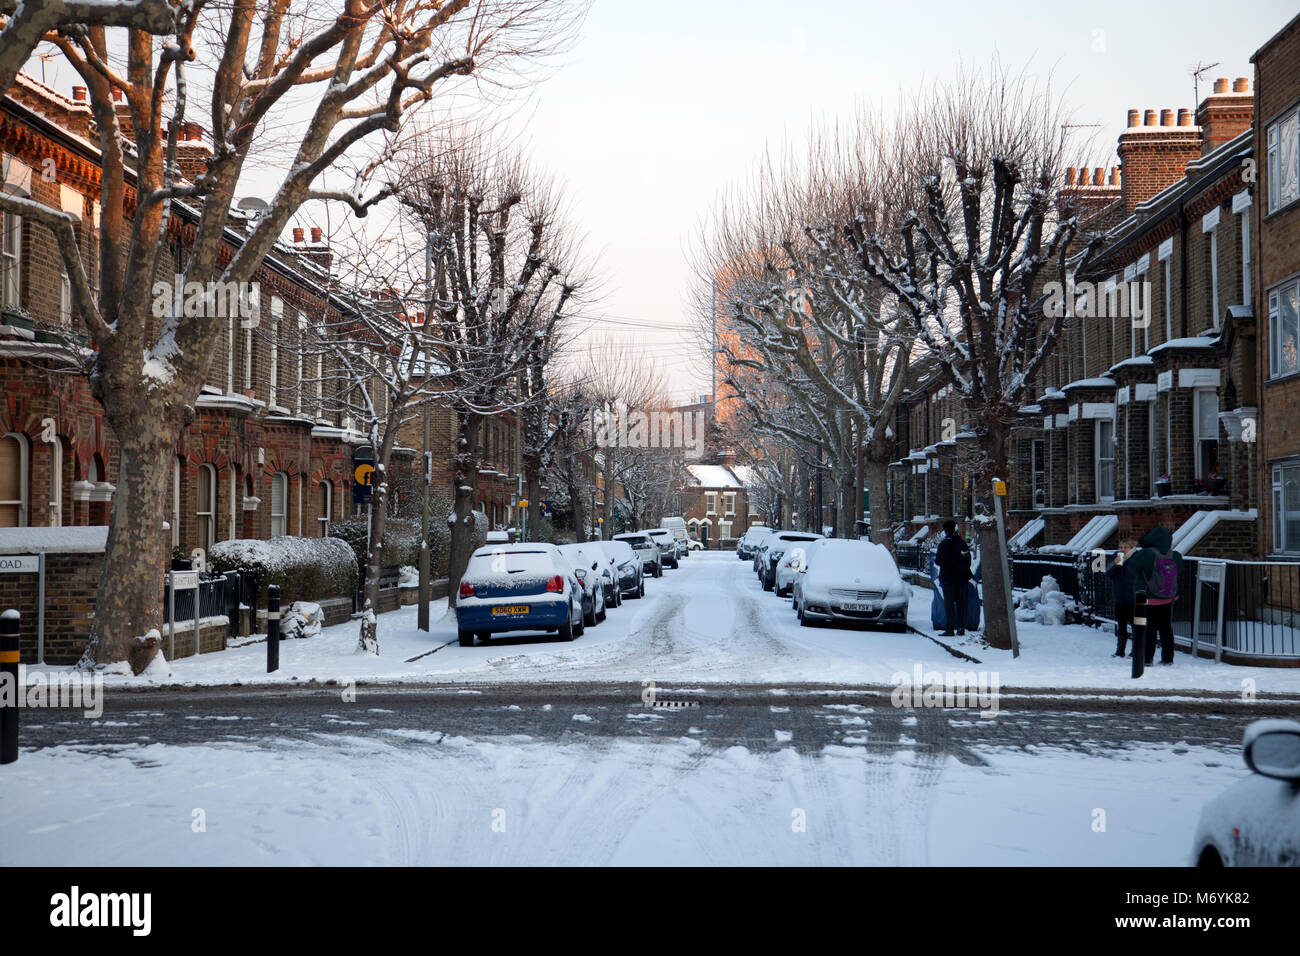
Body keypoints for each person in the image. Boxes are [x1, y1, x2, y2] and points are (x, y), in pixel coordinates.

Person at [1124, 525, 1184, 678]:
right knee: (1166, 629)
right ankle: (1168, 658)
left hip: (1147, 597)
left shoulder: (1147, 554)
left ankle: (1147, 658)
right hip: (1168, 598)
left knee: (1148, 629)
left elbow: (1132, 568)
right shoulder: (1175, 555)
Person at [935, 519, 972, 637]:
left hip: (948, 578)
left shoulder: (943, 544)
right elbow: (968, 560)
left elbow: (938, 561)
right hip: (962, 578)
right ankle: (961, 628)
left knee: (949, 604)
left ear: (945, 531)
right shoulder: (962, 543)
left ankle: (950, 629)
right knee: (962, 603)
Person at [1106, 538, 1138, 658]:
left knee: (1136, 627)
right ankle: (1120, 651)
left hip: (1134, 599)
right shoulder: (1116, 557)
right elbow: (1108, 574)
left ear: (1131, 548)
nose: (1122, 550)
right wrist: (1116, 564)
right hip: (1120, 598)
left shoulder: (1137, 558)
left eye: (1125, 547)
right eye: (1121, 547)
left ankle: (1136, 650)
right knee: (1121, 626)